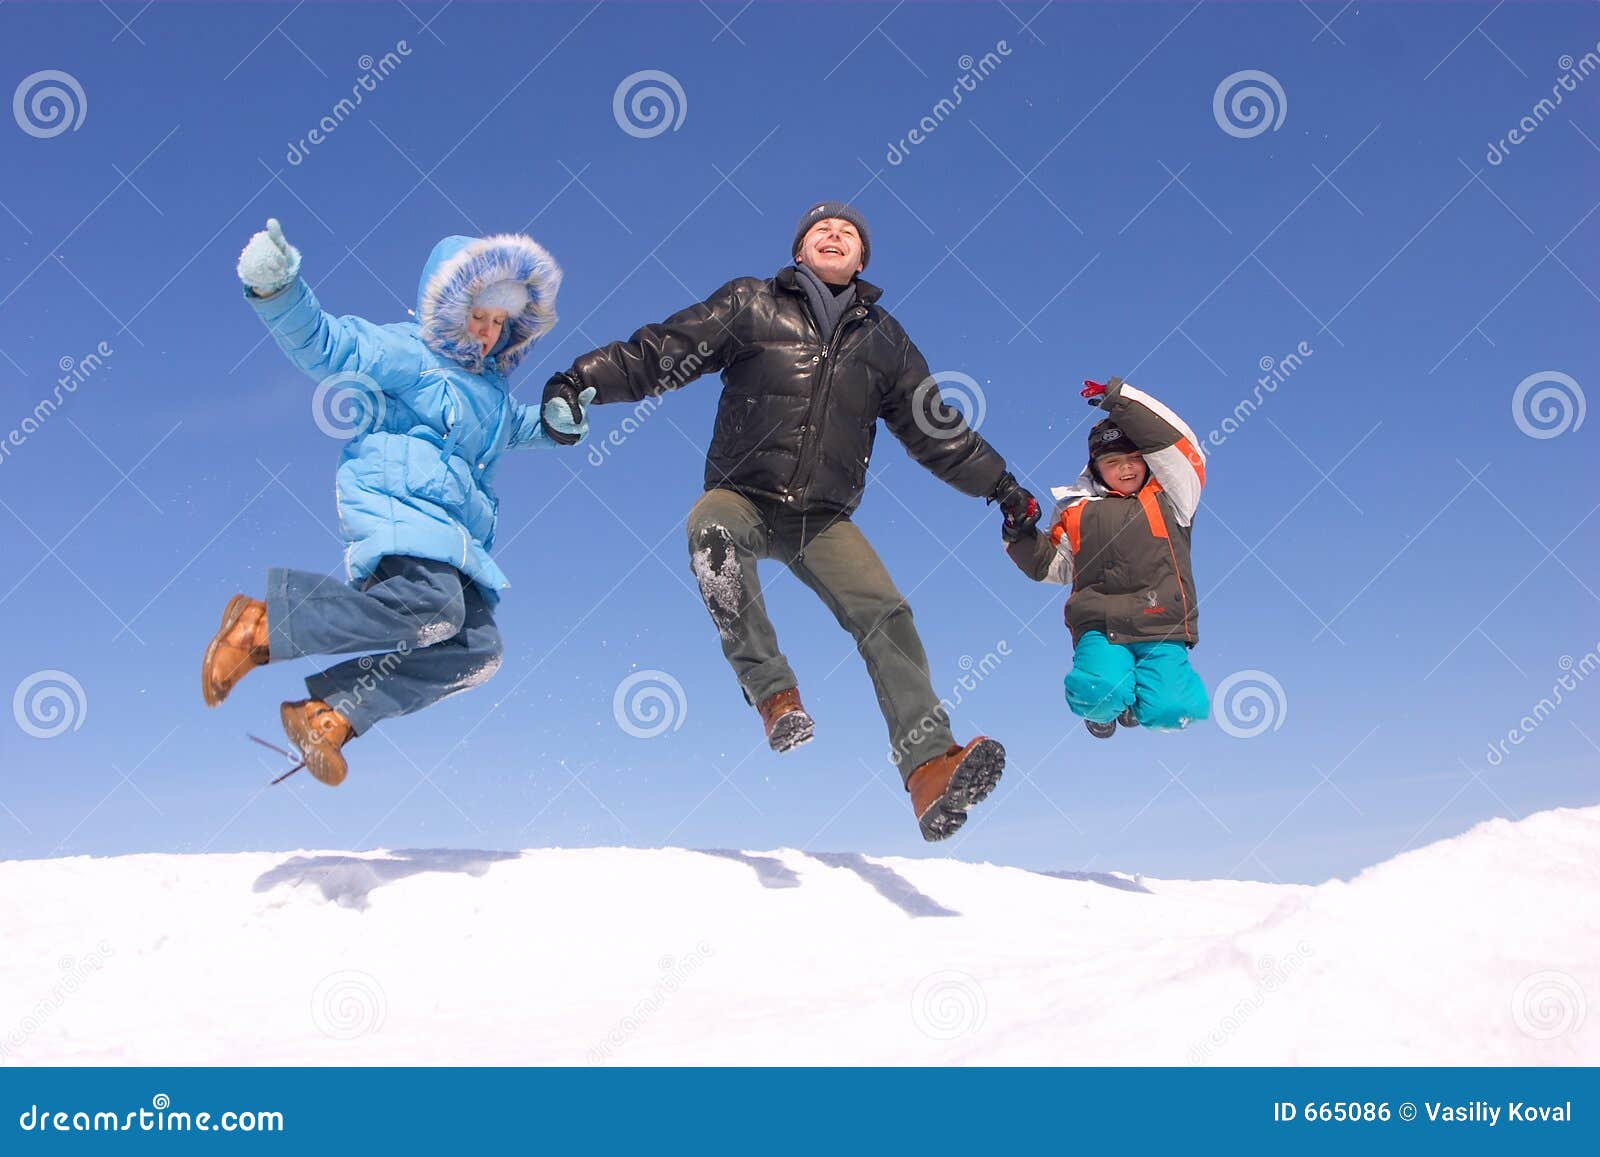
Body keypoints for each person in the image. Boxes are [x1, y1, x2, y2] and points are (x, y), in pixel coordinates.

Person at [541, 201, 1040, 840]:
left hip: (823, 518)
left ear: (862, 261)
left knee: (886, 614)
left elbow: (935, 430)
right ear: (801, 251)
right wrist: (579, 379)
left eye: (849, 234)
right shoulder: (751, 304)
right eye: (820, 230)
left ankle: (929, 770)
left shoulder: (884, 340)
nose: (835, 235)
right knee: (711, 533)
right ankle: (775, 694)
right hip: (743, 495)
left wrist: (1002, 487)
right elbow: (665, 350)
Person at [201, 218, 589, 784]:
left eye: (499, 323)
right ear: (449, 307)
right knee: (432, 611)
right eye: (478, 316)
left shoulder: (492, 395)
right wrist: (279, 291)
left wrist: (554, 425)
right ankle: (263, 625)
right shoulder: (409, 353)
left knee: (477, 648)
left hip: (454, 542)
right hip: (401, 513)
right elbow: (329, 346)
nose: (486, 333)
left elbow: (513, 427)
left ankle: (332, 713)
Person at [1002, 376, 1209, 737]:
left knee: (1176, 709)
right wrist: (1018, 532)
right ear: (1096, 468)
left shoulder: (1171, 499)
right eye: (1114, 461)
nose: (1127, 468)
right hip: (1101, 625)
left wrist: (1122, 400)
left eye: (1134, 458)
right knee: (1097, 691)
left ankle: (1135, 702)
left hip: (1160, 624)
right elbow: (1051, 566)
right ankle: (1104, 708)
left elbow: (1179, 448)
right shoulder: (1076, 509)